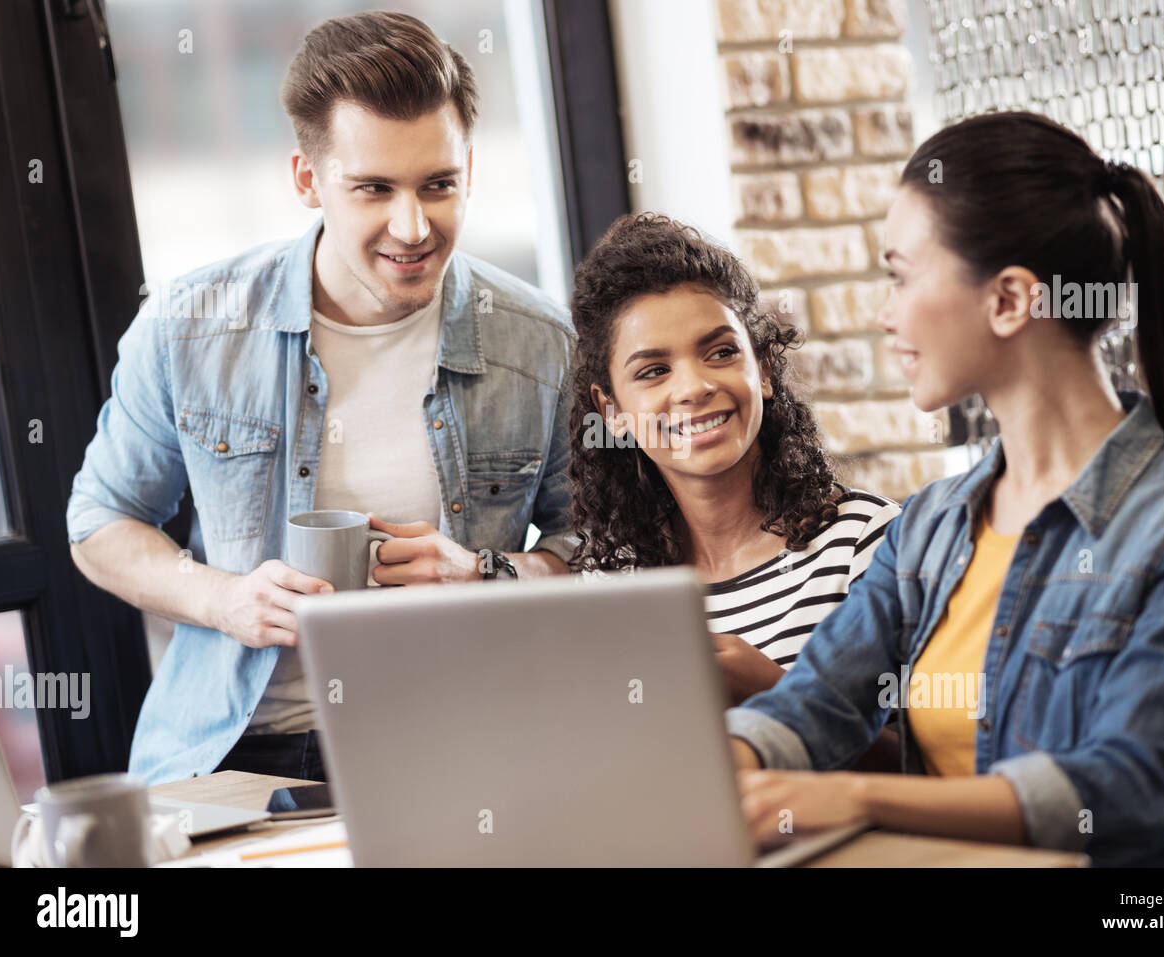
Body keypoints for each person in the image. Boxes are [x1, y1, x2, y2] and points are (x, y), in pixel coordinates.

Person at [726, 111, 1164, 867]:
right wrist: (733, 763)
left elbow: (1127, 791)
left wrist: (860, 797)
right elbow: (820, 697)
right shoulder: (930, 526)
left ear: (1012, 300)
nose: (885, 314)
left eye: (900, 274)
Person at [66, 12, 575, 784]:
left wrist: (488, 573)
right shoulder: (190, 326)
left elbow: (604, 541)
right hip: (230, 755)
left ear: (468, 170)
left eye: (438, 184)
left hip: (457, 748)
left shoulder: (539, 340)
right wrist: (226, 600)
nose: (413, 227)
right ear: (307, 180)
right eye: (374, 188)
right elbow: (98, 522)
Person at [567, 213, 900, 708]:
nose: (695, 387)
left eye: (721, 353)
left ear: (763, 368)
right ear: (612, 411)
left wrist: (778, 695)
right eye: (654, 370)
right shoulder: (610, 587)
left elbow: (924, 765)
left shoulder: (864, 544)